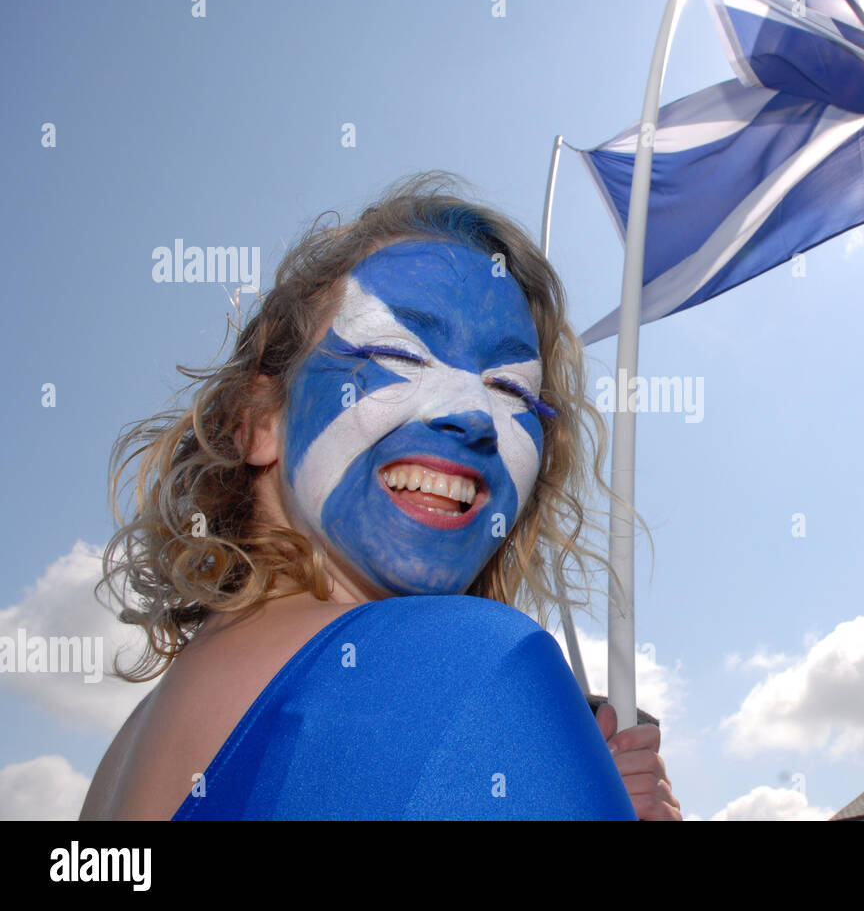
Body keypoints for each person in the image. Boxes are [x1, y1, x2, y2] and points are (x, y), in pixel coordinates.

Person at [80, 172, 681, 820]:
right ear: (257, 420)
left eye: (511, 389)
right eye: (397, 352)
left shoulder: (127, 750)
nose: (473, 415)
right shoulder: (466, 667)